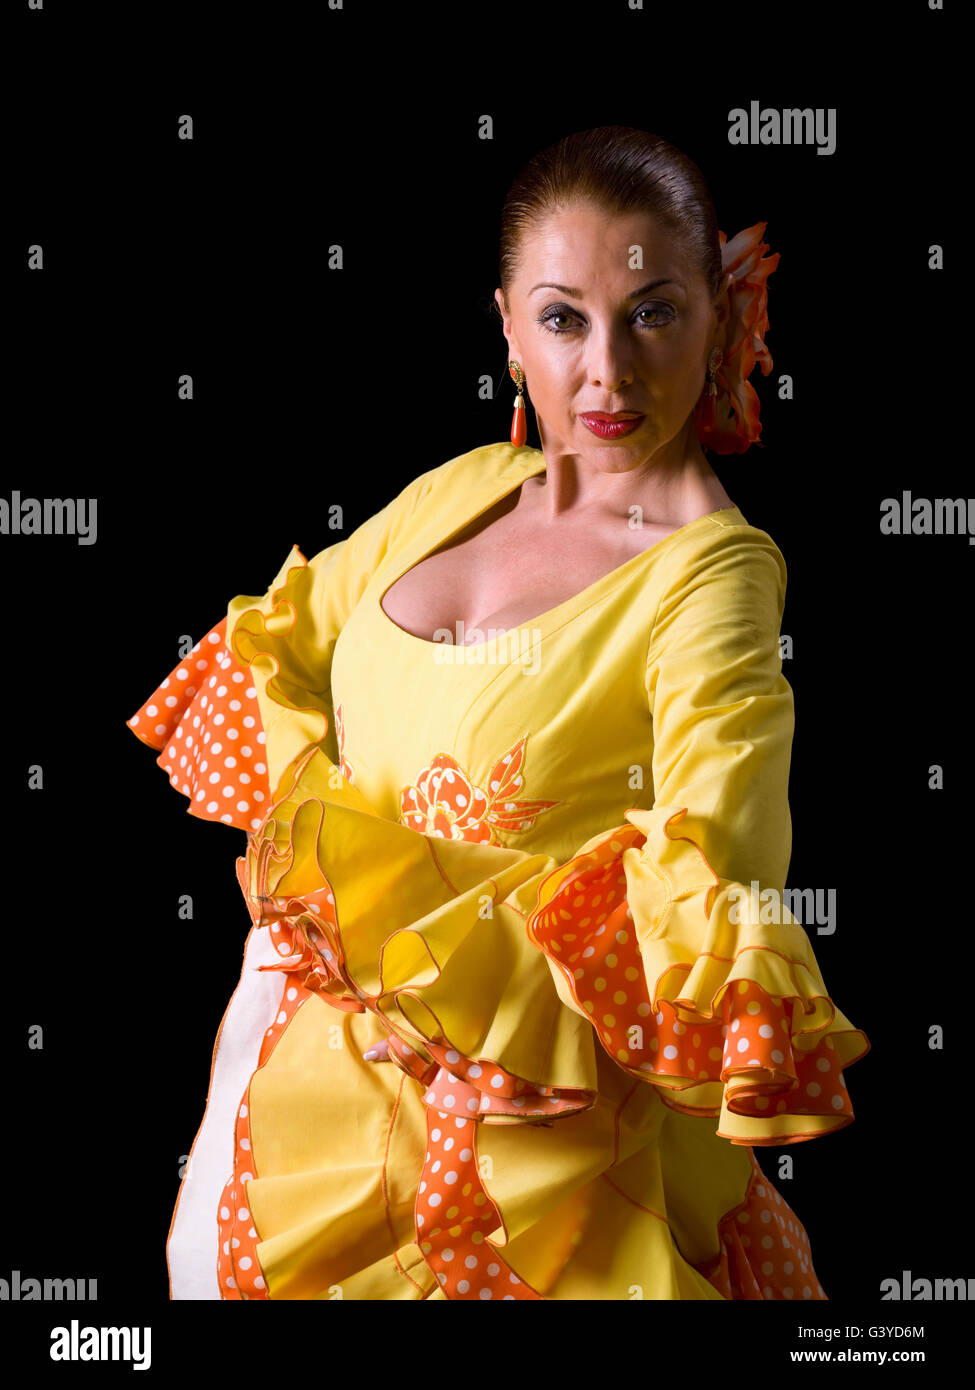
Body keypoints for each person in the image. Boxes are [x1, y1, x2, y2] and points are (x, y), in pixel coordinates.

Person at [126, 126, 869, 1301]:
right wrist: (325, 911)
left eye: (655, 313)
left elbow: (717, 861)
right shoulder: (464, 486)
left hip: (535, 1166)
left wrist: (449, 980)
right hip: (292, 1107)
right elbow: (285, 651)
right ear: (509, 325)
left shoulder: (712, 574)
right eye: (565, 318)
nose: (609, 375)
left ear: (720, 319)